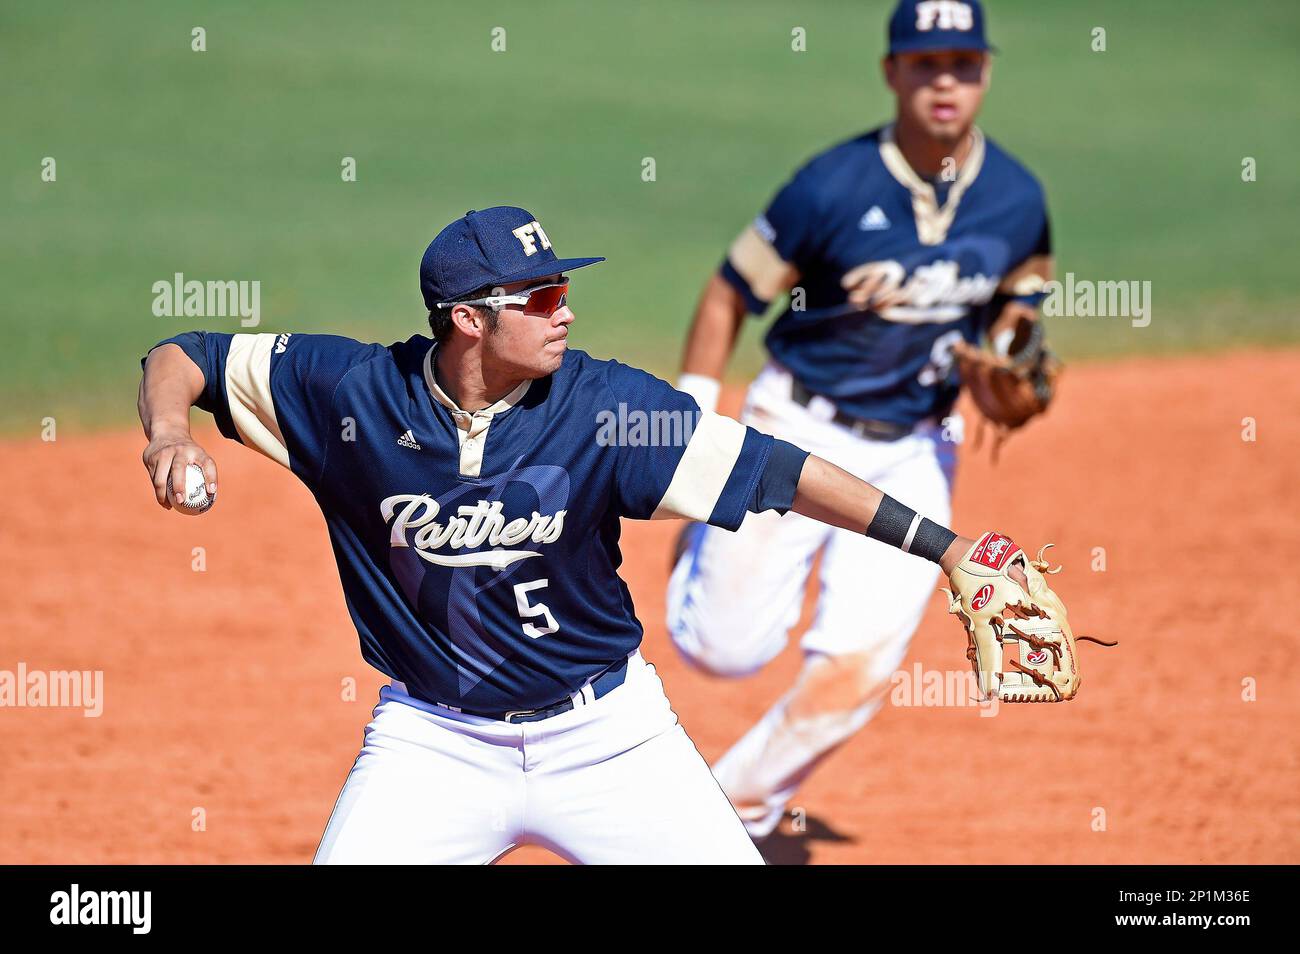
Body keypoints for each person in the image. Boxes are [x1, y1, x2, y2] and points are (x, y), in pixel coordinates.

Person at [139, 205, 992, 864]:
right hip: (433, 744)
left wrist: (948, 550)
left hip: (607, 738)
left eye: (565, 290)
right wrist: (170, 434)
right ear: (469, 319)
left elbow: (778, 469)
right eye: (542, 296)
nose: (566, 313)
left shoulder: (605, 407)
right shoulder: (350, 395)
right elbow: (185, 353)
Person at [666, 0, 1056, 840]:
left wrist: (1012, 372)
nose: (944, 80)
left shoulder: (1019, 200)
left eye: (962, 62)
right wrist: (695, 417)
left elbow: (1019, 319)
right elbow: (730, 290)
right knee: (721, 650)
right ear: (892, 73)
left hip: (918, 448)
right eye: (925, 63)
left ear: (986, 70)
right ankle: (694, 547)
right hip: (795, 430)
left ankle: (726, 814)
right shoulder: (831, 186)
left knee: (862, 664)